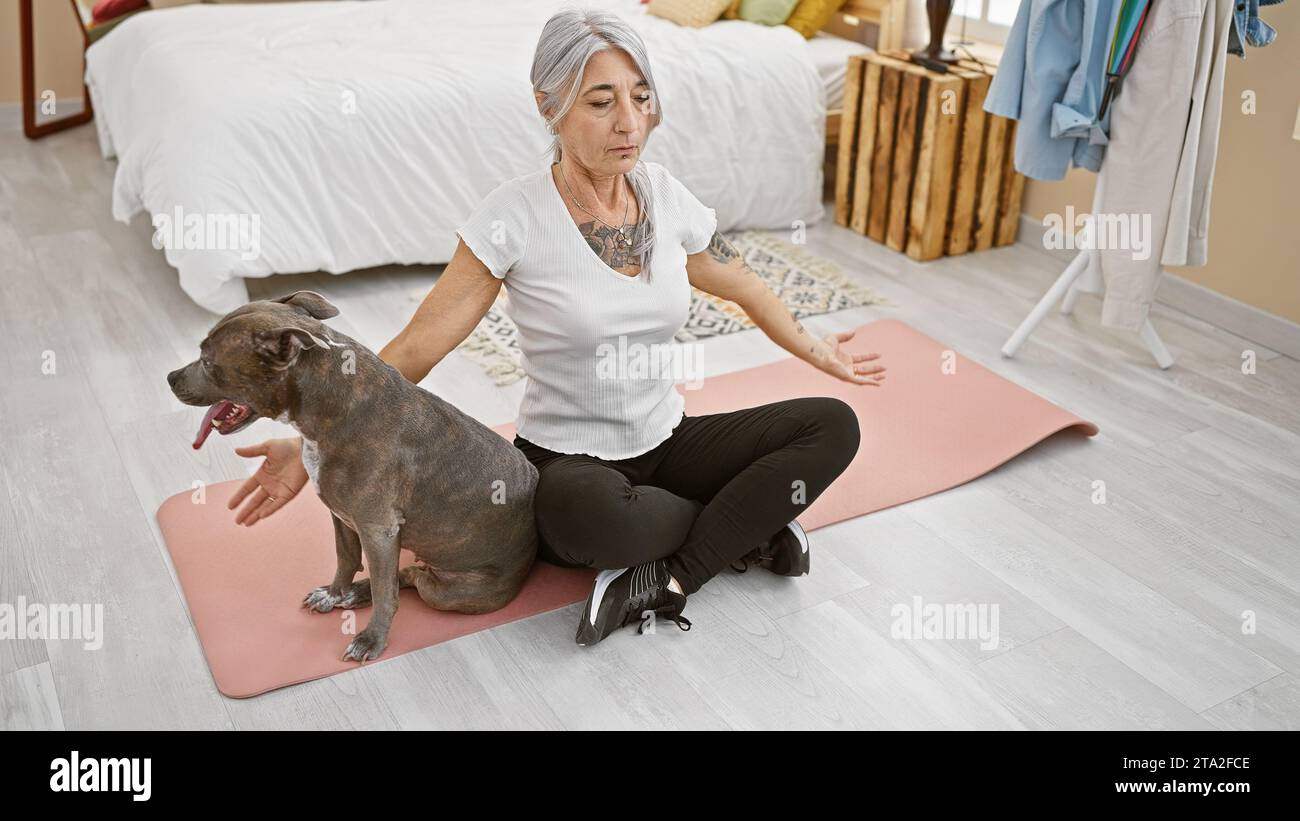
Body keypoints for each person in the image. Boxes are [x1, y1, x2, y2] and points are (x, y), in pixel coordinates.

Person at [227, 7, 887, 647]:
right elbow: (418, 348)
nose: (630, 122)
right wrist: (317, 442)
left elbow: (742, 281)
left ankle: (675, 576)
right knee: (597, 522)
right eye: (601, 102)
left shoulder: (665, 194)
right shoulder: (512, 218)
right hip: (566, 465)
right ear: (550, 105)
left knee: (834, 424)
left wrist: (814, 346)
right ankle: (749, 525)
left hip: (668, 439)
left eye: (641, 96)